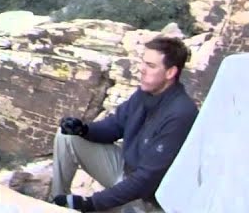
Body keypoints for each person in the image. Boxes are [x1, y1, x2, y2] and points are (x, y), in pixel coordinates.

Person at [50, 36, 199, 212]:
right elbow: (114, 126)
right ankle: (56, 204)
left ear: (170, 73)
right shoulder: (145, 94)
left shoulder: (181, 114)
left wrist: (91, 203)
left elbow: (147, 179)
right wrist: (83, 129)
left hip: (149, 196)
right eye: (143, 62)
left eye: (150, 66)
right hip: (126, 171)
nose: (142, 69)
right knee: (67, 136)